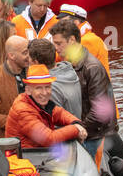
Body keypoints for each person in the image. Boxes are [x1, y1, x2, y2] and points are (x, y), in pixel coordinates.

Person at [50, 17, 117, 158]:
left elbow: (100, 111)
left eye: (59, 43)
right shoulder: (71, 63)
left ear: (72, 40)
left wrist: (77, 129)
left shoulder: (92, 68)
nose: (55, 48)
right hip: (84, 130)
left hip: (92, 135)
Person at [4, 64, 87, 151]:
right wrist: (76, 129)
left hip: (37, 156)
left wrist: (75, 122)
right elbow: (49, 139)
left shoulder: (40, 103)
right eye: (38, 88)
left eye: (47, 87)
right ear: (28, 90)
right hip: (23, 161)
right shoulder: (22, 110)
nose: (44, 92)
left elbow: (59, 113)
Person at [0, 34, 30, 136]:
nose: (29, 56)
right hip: (9, 142)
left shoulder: (33, 71)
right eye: (25, 53)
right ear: (12, 56)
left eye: (29, 51)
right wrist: (18, 121)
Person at [28, 37, 81, 118]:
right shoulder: (69, 71)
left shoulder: (49, 88)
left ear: (36, 62)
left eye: (29, 59)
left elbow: (54, 123)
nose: (27, 62)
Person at [57, 3, 112, 76]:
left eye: (63, 22)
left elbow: (71, 67)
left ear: (76, 22)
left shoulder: (86, 41)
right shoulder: (83, 38)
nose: (60, 26)